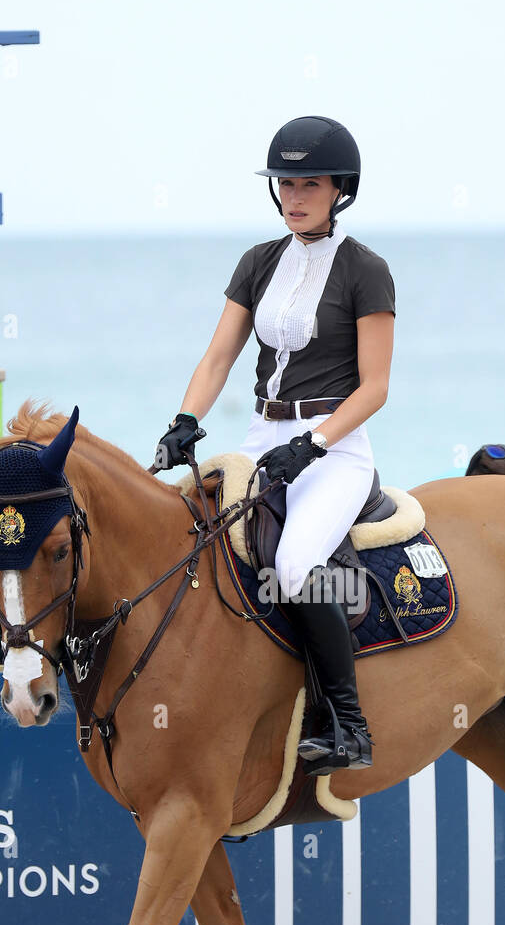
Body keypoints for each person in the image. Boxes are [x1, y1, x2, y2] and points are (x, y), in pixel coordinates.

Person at [154, 115, 395, 774]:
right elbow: (217, 358)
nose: (294, 195)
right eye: (285, 183)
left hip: (337, 447)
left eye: (309, 183)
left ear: (339, 189)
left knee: (292, 567)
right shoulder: (258, 262)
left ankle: (348, 725)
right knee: (193, 540)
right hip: (262, 435)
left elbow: (374, 387)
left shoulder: (365, 270)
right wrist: (184, 421)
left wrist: (314, 444)